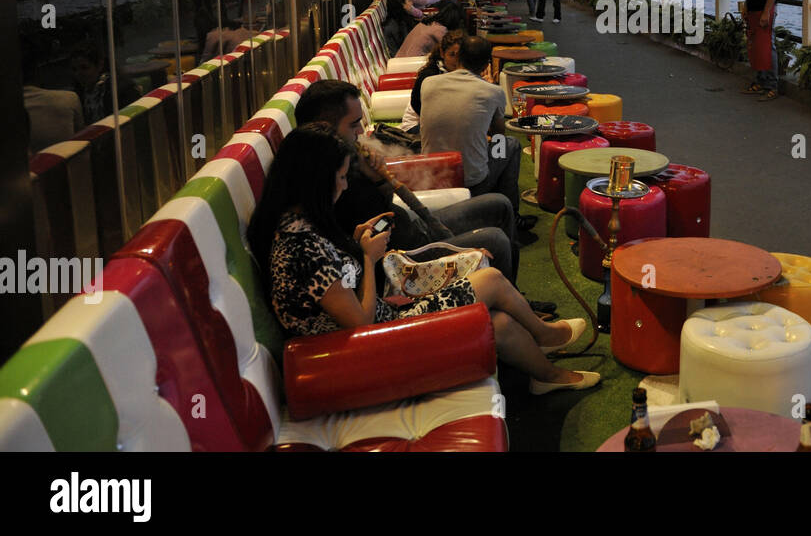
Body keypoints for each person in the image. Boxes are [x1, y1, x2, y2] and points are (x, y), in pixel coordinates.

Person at [247, 125, 595, 394]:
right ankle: (546, 336)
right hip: (379, 342)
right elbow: (360, 324)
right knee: (489, 280)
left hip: (384, 323)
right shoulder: (303, 248)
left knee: (499, 323)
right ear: (315, 182)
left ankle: (545, 375)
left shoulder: (293, 227)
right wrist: (367, 259)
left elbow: (333, 287)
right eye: (339, 177)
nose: (344, 185)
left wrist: (353, 244)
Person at [295, 78, 532, 283]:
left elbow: (382, 207)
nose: (360, 132)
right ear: (325, 127)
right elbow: (366, 236)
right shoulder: (328, 179)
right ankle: (511, 309)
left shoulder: (348, 157)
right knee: (497, 241)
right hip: (404, 253)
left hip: (412, 225)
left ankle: (513, 296)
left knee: (500, 204)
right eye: (354, 124)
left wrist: (379, 180)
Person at [419, 35, 529, 219]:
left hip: (432, 178)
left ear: (459, 56)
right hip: (472, 184)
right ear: (487, 64)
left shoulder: (428, 83)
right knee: (510, 145)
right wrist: (494, 154)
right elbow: (498, 135)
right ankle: (511, 214)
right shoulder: (493, 92)